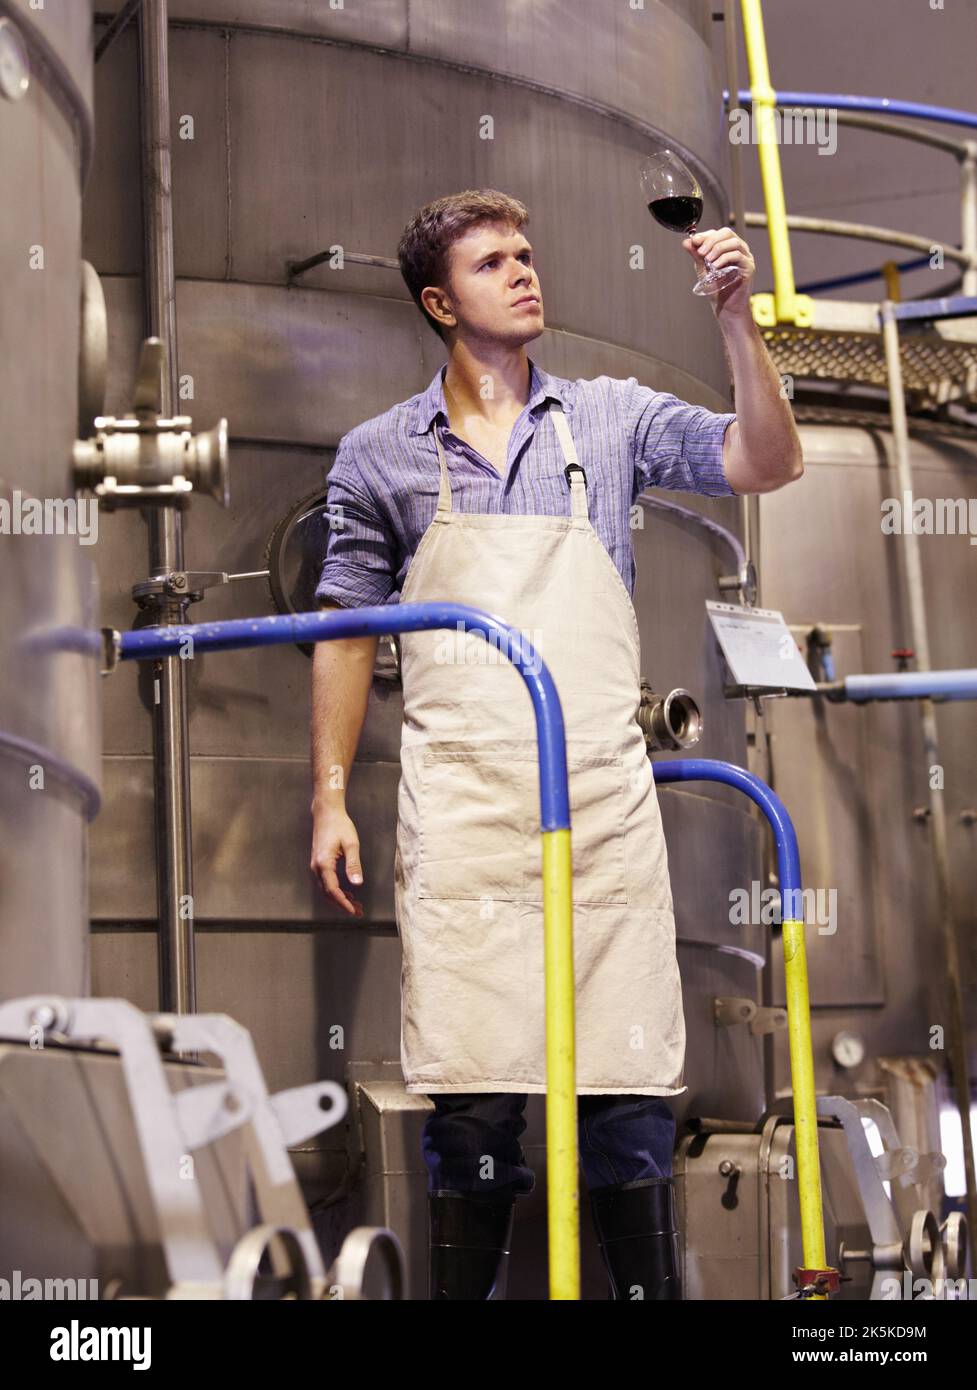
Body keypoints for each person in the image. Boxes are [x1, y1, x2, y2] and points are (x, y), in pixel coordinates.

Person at [310, 189, 803, 1300]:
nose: (525, 272)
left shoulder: (610, 419)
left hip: (599, 818)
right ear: (440, 301)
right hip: (468, 823)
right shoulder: (380, 456)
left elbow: (764, 462)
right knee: (475, 1119)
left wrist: (735, 317)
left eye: (528, 253)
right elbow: (341, 631)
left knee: (626, 1111)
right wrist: (329, 794)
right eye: (495, 262)